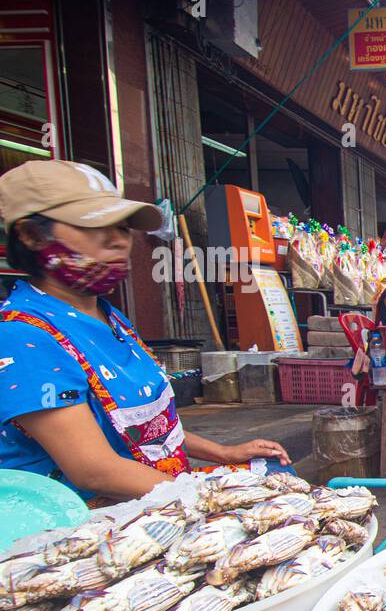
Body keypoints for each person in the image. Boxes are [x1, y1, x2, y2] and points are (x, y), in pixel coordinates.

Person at [0, 160, 289, 503]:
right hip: (96, 521)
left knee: (276, 473)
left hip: (163, 490)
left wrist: (224, 453)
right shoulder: (22, 335)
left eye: (122, 228)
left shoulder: (109, 317)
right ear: (31, 235)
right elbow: (94, 469)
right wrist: (210, 499)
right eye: (93, 226)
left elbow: (145, 431)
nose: (118, 241)